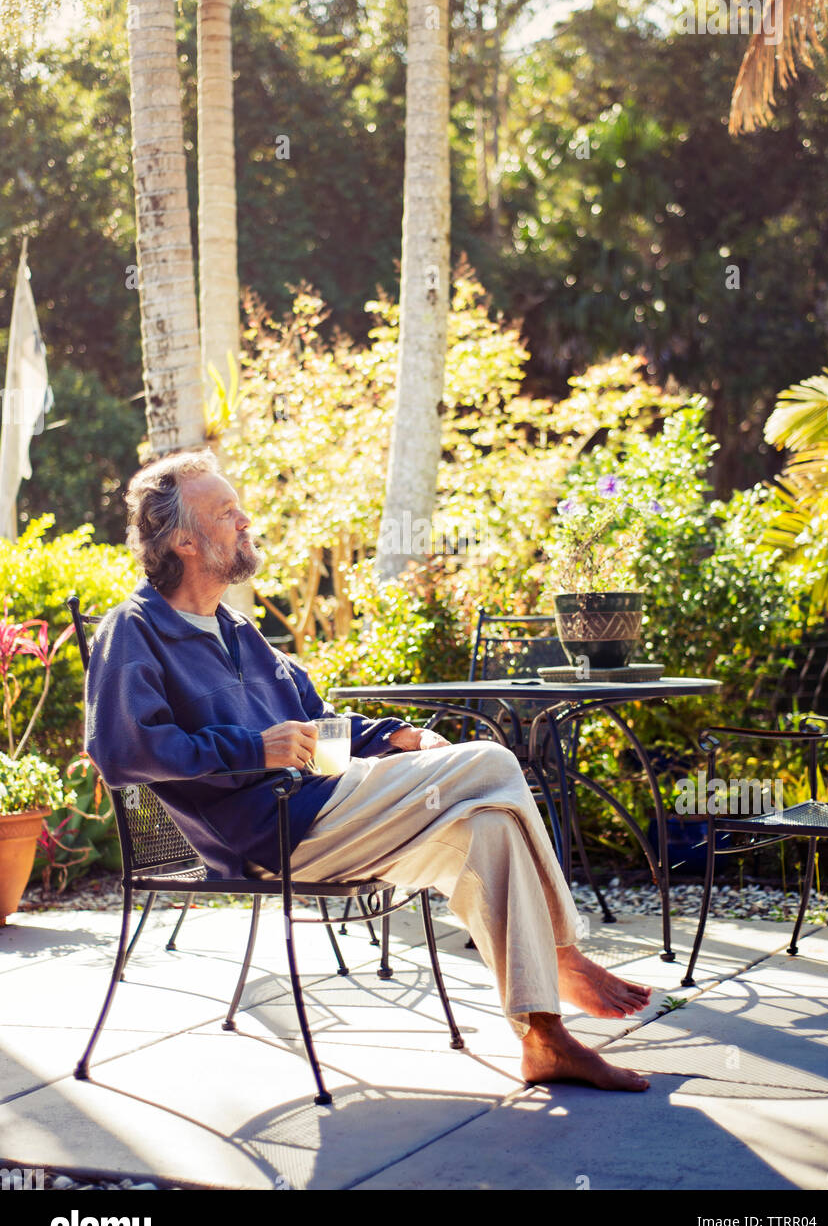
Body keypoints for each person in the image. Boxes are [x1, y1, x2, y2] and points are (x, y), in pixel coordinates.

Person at [84, 448, 653, 1091]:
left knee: (489, 829)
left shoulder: (239, 630)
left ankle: (544, 1038)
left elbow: (320, 734)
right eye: (227, 512)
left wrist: (393, 735)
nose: (245, 520)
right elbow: (121, 752)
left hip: (331, 808)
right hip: (272, 834)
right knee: (491, 760)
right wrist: (254, 749)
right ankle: (563, 954)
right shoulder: (133, 630)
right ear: (184, 540)